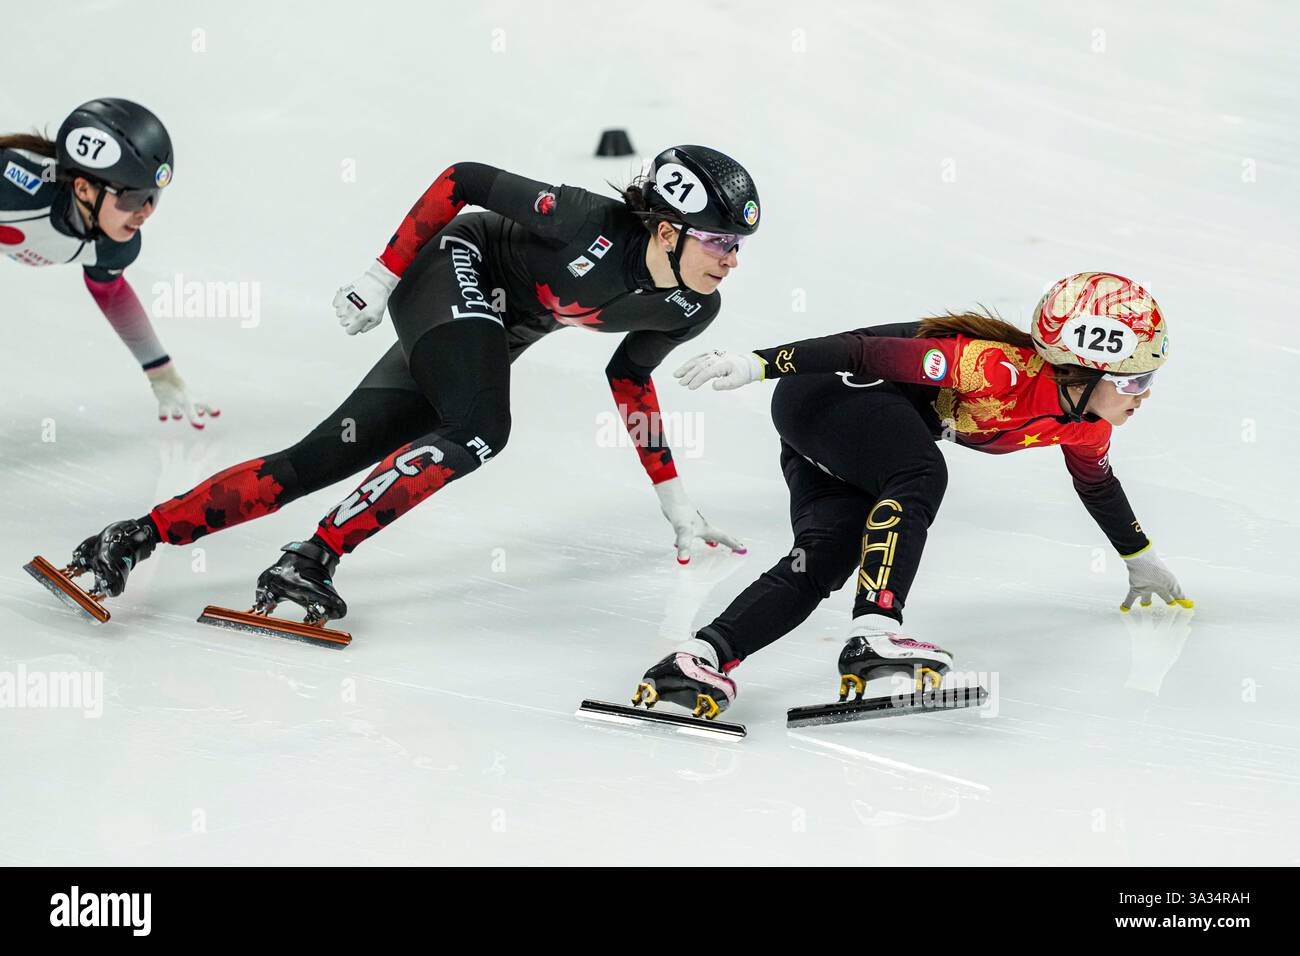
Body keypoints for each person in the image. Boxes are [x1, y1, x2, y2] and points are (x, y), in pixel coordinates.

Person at [47, 146, 760, 626]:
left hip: (482, 334)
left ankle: (131, 538)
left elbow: (630, 378)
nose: (731, 261)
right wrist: (380, 274)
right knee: (481, 428)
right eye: (720, 242)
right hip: (452, 270)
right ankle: (312, 558)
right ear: (668, 231)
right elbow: (464, 180)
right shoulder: (584, 220)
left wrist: (674, 499)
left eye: (739, 247)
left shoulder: (692, 307)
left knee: (318, 459)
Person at [633, 272, 1195, 719]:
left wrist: (1139, 559)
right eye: (1135, 381)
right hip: (825, 391)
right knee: (921, 472)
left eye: (1150, 379)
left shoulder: (1086, 425)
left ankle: (699, 656)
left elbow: (1097, 484)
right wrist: (759, 363)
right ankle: (875, 631)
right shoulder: (994, 367)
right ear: (1083, 368)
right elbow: (862, 353)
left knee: (825, 555)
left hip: (839, 439)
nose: (1143, 396)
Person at [1, 98, 217, 427]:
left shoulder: (115, 249)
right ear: (84, 189)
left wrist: (160, 370)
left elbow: (112, 294)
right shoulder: (13, 184)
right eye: (132, 198)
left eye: (152, 198)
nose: (144, 213)